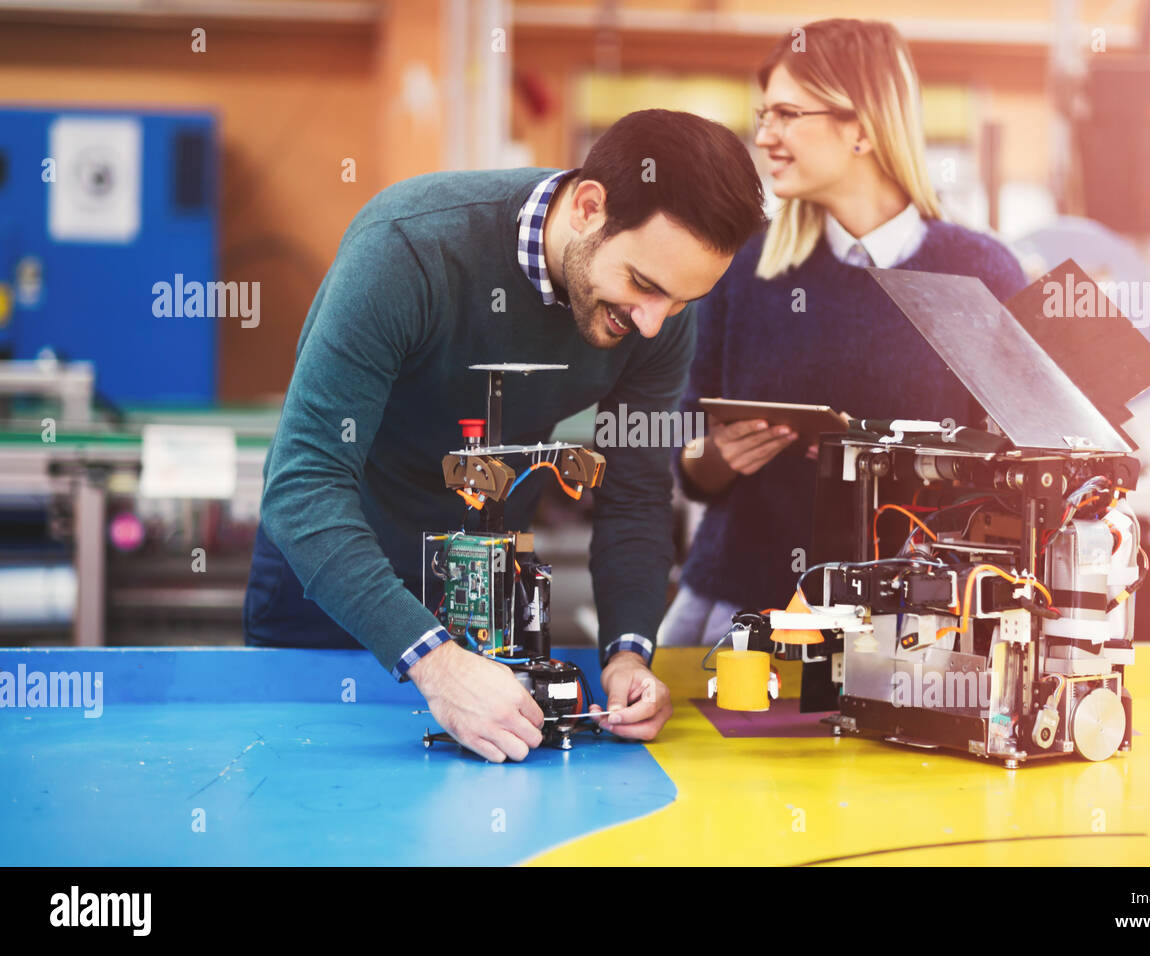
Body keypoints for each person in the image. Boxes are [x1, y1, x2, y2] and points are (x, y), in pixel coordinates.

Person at [244, 109, 767, 761]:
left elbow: (635, 497)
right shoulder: (407, 249)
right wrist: (433, 661)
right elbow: (303, 487)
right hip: (334, 587)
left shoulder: (656, 317)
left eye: (682, 301)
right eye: (644, 285)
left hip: (488, 605)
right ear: (588, 207)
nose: (655, 323)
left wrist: (629, 654)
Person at [662, 19, 1027, 646]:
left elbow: (1014, 471)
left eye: (786, 114)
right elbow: (688, 454)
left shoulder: (980, 274)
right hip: (743, 615)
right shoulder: (746, 267)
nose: (765, 136)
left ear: (861, 128)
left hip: (917, 628)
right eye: (763, 115)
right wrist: (717, 458)